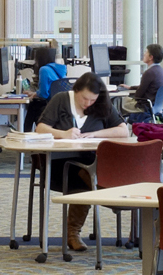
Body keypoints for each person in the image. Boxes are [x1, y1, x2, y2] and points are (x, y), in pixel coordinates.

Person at [54, 72, 129, 252]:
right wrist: (64, 134)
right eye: (85, 98)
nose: (88, 103)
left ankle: (114, 199)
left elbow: (123, 131)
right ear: (76, 90)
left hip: (94, 162)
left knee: (97, 170)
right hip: (62, 162)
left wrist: (95, 134)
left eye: (92, 100)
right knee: (85, 176)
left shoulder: (101, 105)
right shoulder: (61, 100)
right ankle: (114, 199)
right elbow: (41, 127)